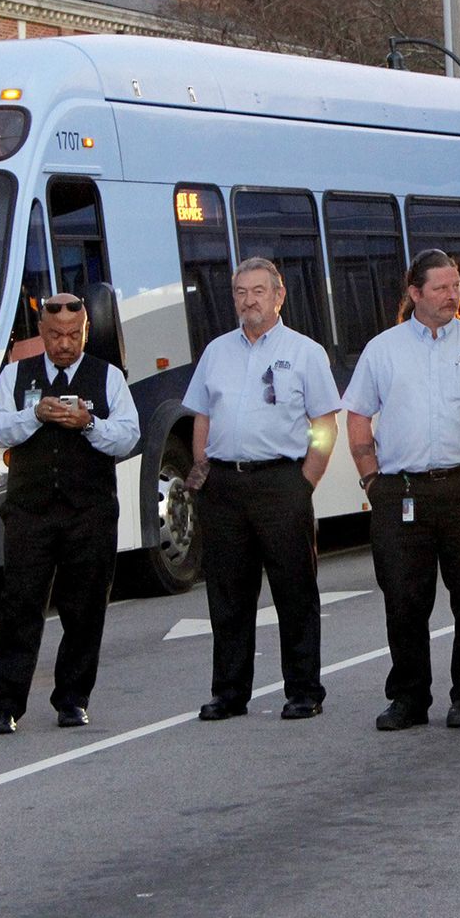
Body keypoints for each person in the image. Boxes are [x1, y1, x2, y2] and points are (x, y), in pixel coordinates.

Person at [343, 250, 460, 731]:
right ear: (414, 292)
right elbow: (358, 414)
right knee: (404, 601)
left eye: (456, 286)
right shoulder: (383, 350)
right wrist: (371, 478)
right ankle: (408, 698)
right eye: (441, 288)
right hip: (402, 494)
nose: (452, 295)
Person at [184, 258, 340, 722]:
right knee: (227, 595)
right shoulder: (216, 352)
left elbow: (324, 424)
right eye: (240, 292)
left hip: (281, 483)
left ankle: (304, 691)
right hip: (223, 487)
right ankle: (229, 693)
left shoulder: (305, 352)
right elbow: (202, 415)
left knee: (295, 591)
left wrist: (305, 482)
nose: (248, 300)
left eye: (257, 291)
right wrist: (202, 467)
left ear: (279, 295)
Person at [0, 293, 140, 734]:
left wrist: (88, 423)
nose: (65, 344)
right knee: (19, 606)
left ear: (86, 331)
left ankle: (73, 699)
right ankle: (5, 705)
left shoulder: (108, 376)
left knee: (85, 607)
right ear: (42, 333)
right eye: (55, 335)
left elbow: (128, 436)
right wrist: (35, 415)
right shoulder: (16, 374)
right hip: (29, 512)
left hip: (90, 511)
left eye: (73, 334)